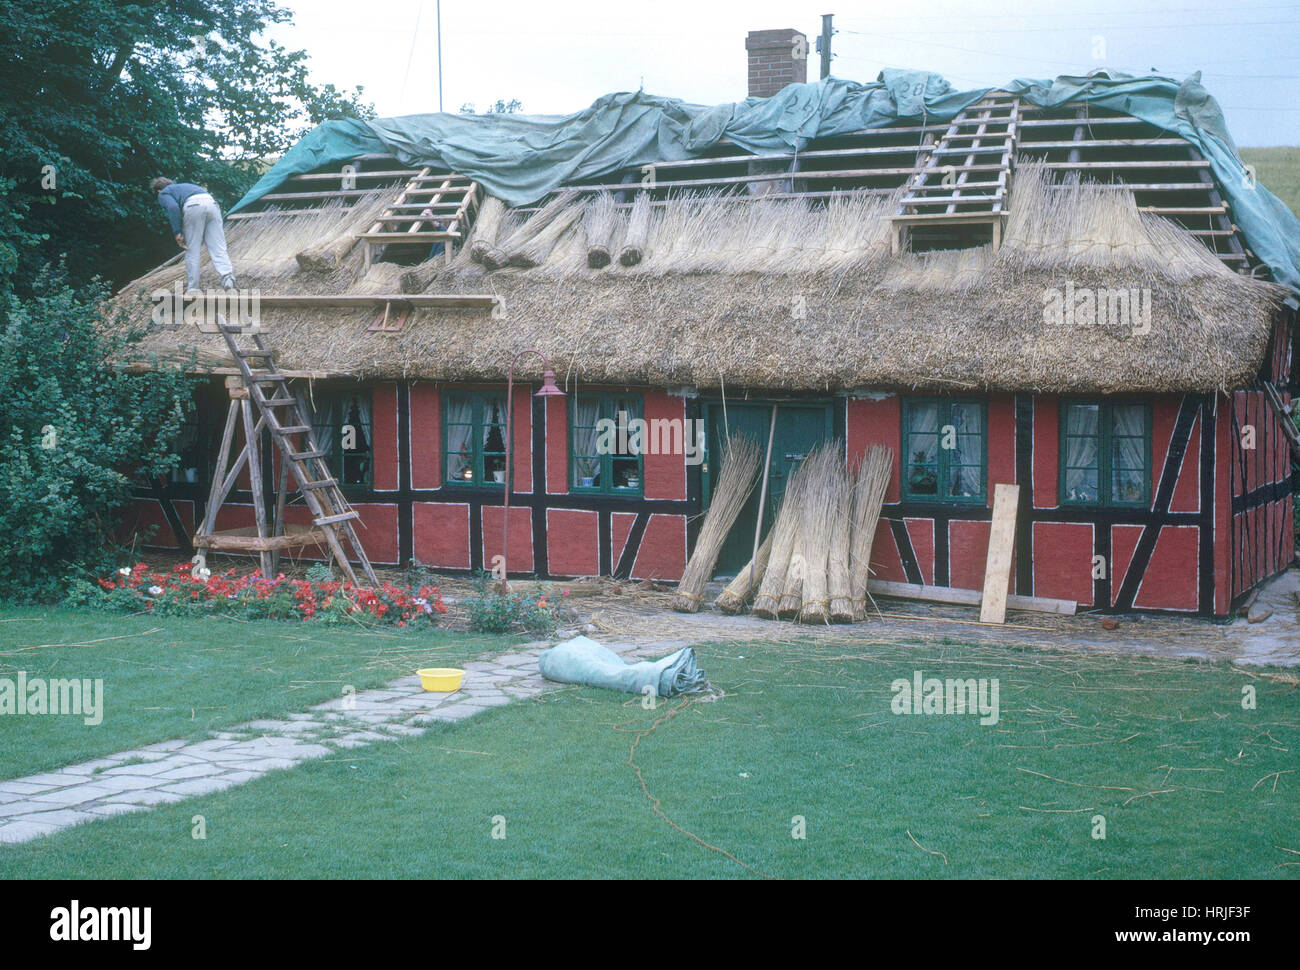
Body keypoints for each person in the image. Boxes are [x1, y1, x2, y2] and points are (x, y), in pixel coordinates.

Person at [150, 177, 236, 291]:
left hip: (193, 206)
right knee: (218, 246)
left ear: (158, 191)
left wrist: (177, 232)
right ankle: (228, 278)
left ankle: (193, 288)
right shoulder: (185, 186)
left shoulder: (163, 193)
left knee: (192, 249)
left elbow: (173, 207)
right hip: (212, 203)